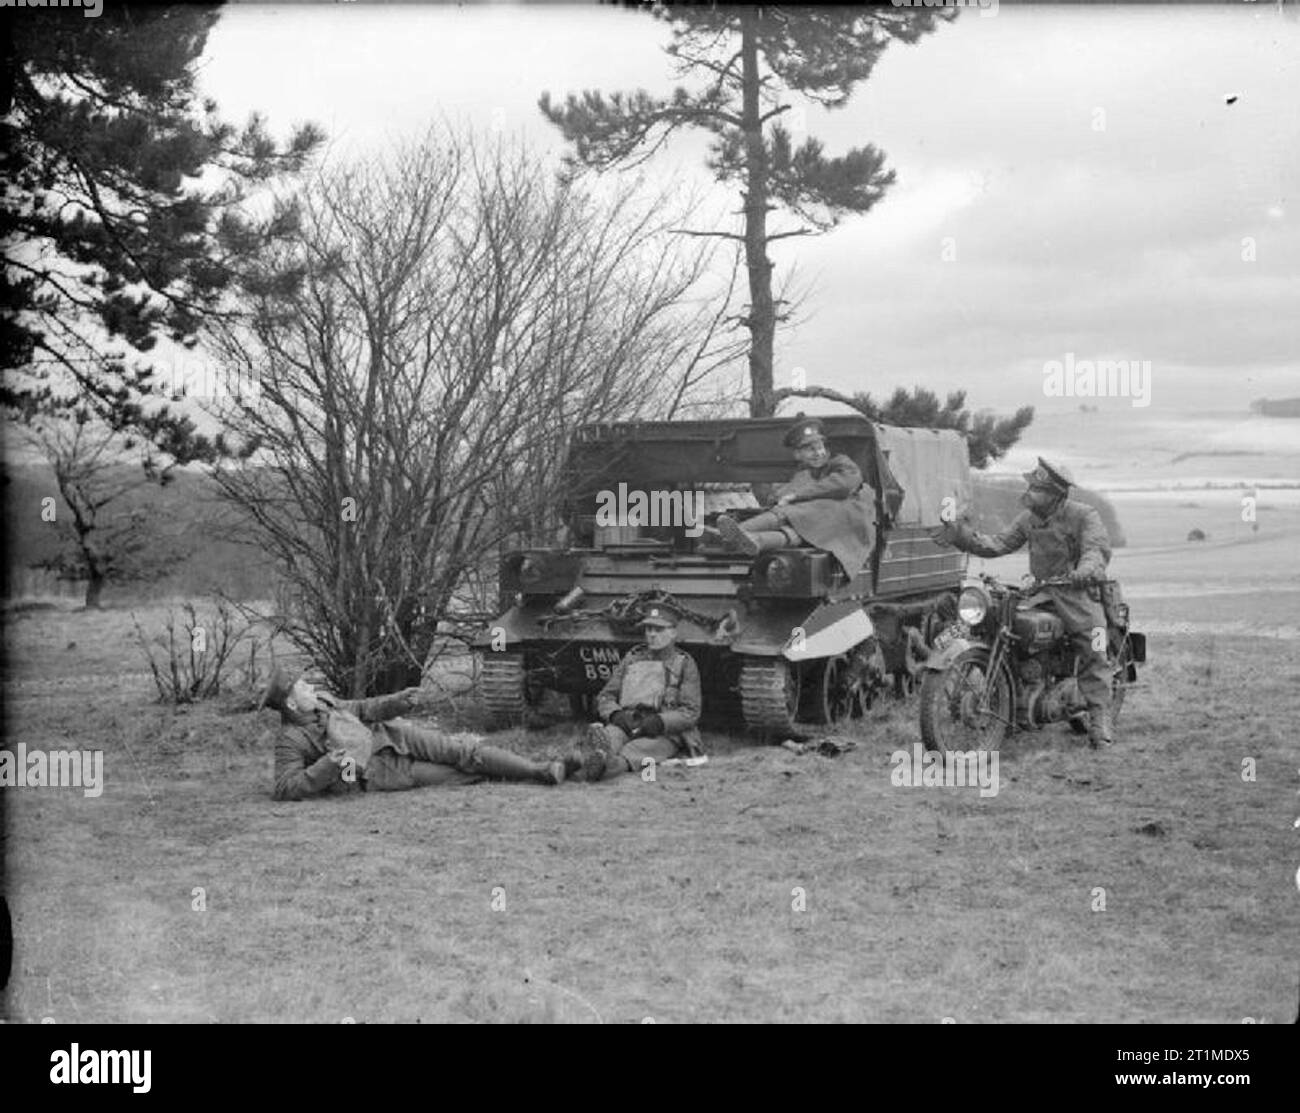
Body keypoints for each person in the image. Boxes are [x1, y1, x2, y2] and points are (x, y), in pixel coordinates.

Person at [930, 457, 1116, 747]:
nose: (1029, 492)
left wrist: (1085, 571)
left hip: (1078, 596)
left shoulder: (1083, 515)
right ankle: (1014, 697)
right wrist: (961, 535)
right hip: (1041, 594)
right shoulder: (1028, 520)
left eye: (1038, 489)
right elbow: (998, 544)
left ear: (1056, 495)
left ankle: (1099, 719)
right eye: (1031, 486)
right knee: (1009, 630)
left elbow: (1096, 549)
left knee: (1094, 647)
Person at [260, 668, 565, 799]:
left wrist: (396, 701)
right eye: (302, 687)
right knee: (452, 774)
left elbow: (362, 710)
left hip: (393, 735)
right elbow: (286, 788)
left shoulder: (325, 700)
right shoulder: (289, 739)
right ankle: (528, 772)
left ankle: (541, 770)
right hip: (380, 771)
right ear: (289, 702)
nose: (310, 687)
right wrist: (329, 765)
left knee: (461, 751)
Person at [715, 417, 875, 576]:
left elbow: (843, 485)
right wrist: (778, 498)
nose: (818, 453)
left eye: (820, 447)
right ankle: (751, 538)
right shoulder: (805, 473)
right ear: (798, 455)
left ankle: (737, 534)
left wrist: (796, 496)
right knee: (793, 526)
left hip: (848, 521)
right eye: (810, 450)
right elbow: (785, 494)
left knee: (797, 515)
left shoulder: (841, 463)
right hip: (820, 526)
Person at [574, 602, 704, 781]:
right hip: (628, 723)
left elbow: (691, 711)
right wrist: (616, 715)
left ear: (673, 632)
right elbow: (606, 696)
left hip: (663, 732)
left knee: (637, 750)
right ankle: (589, 760)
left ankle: (602, 768)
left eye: (659, 629)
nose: (651, 634)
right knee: (609, 739)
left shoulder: (684, 663)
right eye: (648, 629)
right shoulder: (633, 658)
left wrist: (660, 722)